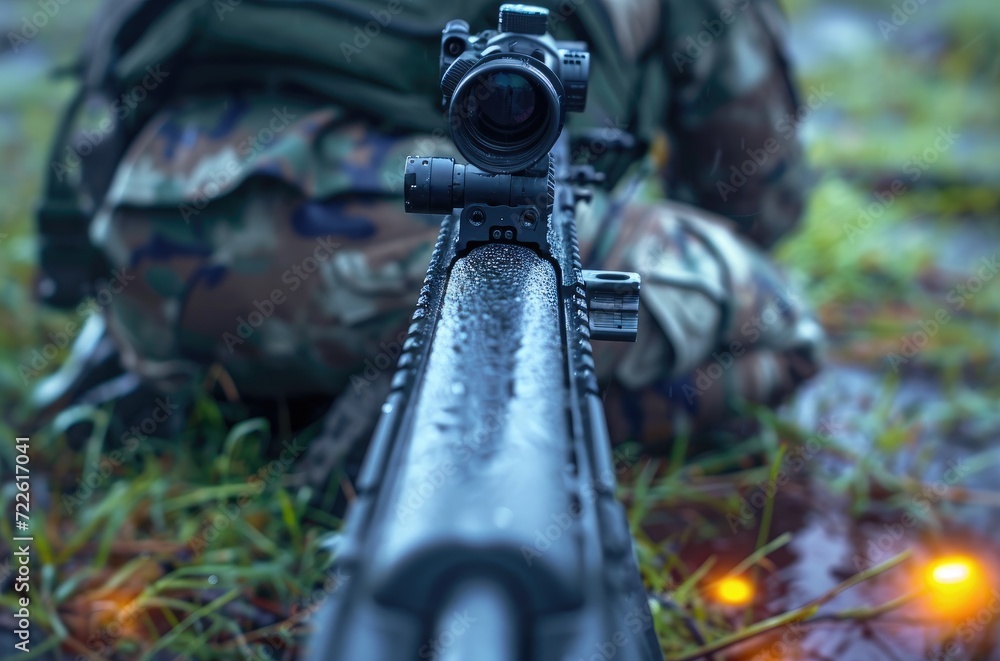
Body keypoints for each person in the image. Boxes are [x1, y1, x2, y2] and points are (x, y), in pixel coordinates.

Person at [33, 0, 823, 478]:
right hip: (390, 234)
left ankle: (232, 389)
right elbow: (755, 196)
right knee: (783, 332)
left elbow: (114, 90)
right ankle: (398, 432)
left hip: (149, 251)